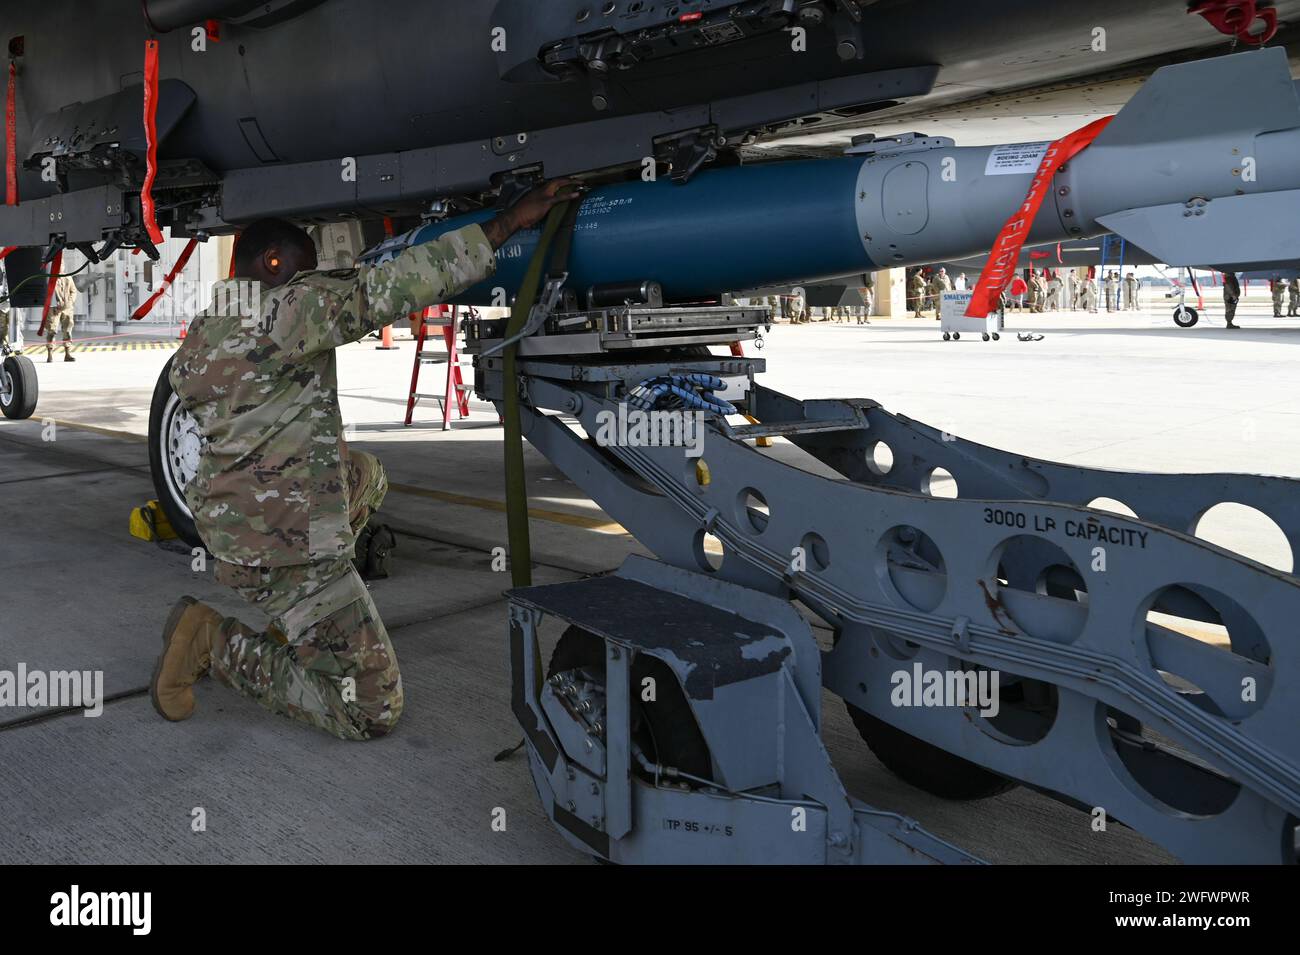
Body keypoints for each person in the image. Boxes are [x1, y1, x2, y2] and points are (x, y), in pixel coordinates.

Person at [150, 180, 579, 740]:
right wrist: (507, 223)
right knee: (370, 710)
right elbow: (389, 286)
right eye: (302, 271)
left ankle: (308, 619)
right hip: (283, 548)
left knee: (365, 475)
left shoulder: (208, 327)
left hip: (230, 526)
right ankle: (214, 641)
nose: (310, 282)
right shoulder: (286, 311)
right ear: (274, 263)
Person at [45, 274, 78, 363]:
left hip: (67, 308)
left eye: (61, 265)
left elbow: (73, 291)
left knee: (67, 330)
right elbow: (46, 292)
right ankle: (50, 354)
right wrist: (54, 304)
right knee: (51, 330)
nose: (60, 267)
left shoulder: (68, 278)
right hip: (53, 308)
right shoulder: (49, 278)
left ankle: (67, 354)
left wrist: (69, 303)